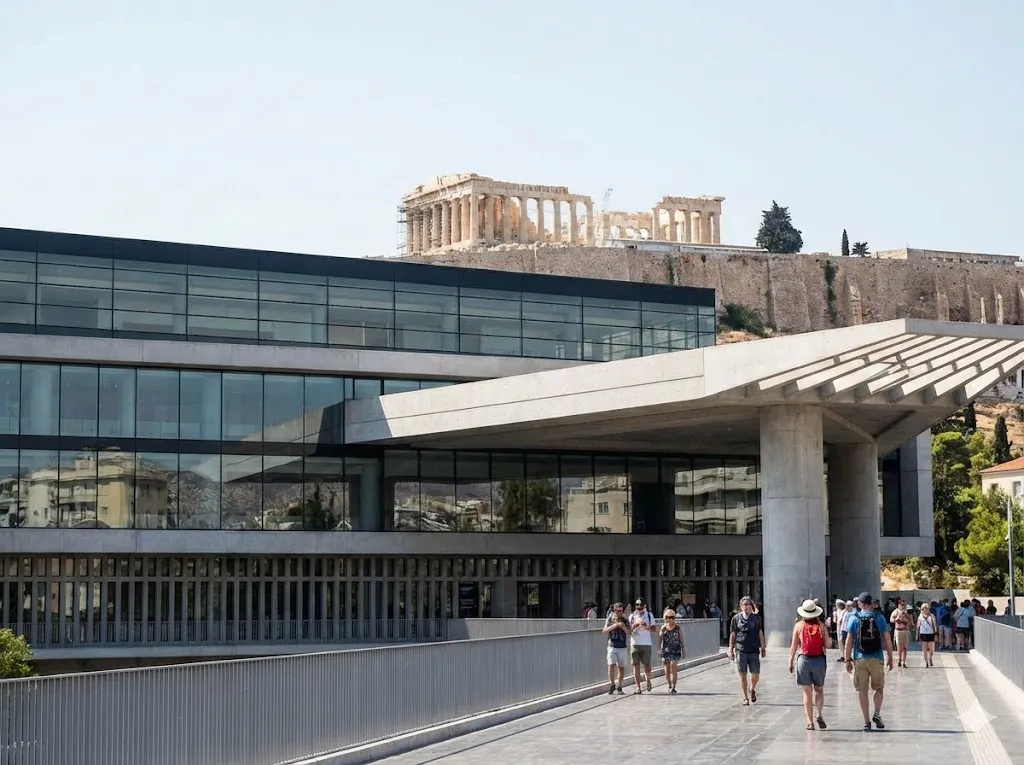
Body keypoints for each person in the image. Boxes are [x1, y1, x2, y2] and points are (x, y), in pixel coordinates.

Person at [844, 591, 894, 731]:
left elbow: (849, 641)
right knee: (878, 688)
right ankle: (877, 713)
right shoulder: (879, 618)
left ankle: (866, 721)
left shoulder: (854, 618)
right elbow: (887, 638)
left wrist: (847, 659)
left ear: (859, 604)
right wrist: (890, 656)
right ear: (871, 604)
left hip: (859, 659)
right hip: (876, 657)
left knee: (862, 690)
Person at [789, 598, 831, 730]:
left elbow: (794, 646)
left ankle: (809, 722)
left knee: (807, 692)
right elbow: (828, 645)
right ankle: (819, 714)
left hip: (804, 660)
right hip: (818, 660)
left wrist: (790, 661)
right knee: (819, 690)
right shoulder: (821, 626)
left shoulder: (799, 626)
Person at [728, 596, 766, 705]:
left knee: (755, 674)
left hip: (753, 649)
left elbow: (760, 632)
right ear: (741, 606)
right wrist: (731, 649)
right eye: (744, 604)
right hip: (741, 649)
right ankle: (745, 698)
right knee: (742, 674)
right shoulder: (736, 618)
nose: (747, 607)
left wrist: (763, 646)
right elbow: (733, 633)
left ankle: (752, 688)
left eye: (749, 604)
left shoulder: (756, 618)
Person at [629, 598, 656, 694]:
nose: (639, 607)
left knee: (647, 665)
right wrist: (635, 626)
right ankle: (638, 687)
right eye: (637, 605)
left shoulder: (649, 615)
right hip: (635, 643)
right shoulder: (632, 616)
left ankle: (648, 680)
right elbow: (629, 630)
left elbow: (654, 629)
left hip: (646, 643)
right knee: (635, 665)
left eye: (640, 605)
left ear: (644, 605)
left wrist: (645, 626)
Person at [602, 602, 629, 695]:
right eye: (618, 611)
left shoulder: (625, 620)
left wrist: (623, 627)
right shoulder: (610, 619)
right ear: (614, 610)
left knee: (621, 667)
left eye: (621, 611)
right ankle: (612, 684)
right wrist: (614, 625)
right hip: (612, 645)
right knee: (611, 665)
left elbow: (629, 632)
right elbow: (604, 630)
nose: (619, 613)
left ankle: (620, 685)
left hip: (622, 646)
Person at [659, 609, 685, 693]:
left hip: (676, 650)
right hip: (666, 650)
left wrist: (683, 649)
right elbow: (659, 639)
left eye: (671, 617)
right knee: (667, 669)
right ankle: (669, 683)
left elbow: (681, 639)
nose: (669, 619)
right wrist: (659, 649)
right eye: (667, 617)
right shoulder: (663, 628)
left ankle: (673, 686)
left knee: (674, 666)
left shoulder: (678, 628)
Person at [889, 599, 912, 668]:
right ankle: (899, 659)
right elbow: (891, 620)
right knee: (899, 647)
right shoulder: (895, 611)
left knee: (905, 647)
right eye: (901, 604)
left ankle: (904, 662)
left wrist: (906, 616)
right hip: (899, 631)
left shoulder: (907, 612)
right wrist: (897, 619)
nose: (903, 606)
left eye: (903, 604)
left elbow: (911, 621)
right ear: (898, 605)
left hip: (906, 630)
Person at [917, 602, 937, 668]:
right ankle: (926, 662)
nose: (925, 610)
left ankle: (930, 657)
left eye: (926, 608)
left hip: (931, 633)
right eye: (923, 609)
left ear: (928, 609)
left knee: (931, 649)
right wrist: (917, 635)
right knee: (924, 649)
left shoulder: (931, 616)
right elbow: (918, 626)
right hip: (923, 634)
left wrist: (936, 634)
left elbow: (934, 625)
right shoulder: (920, 616)